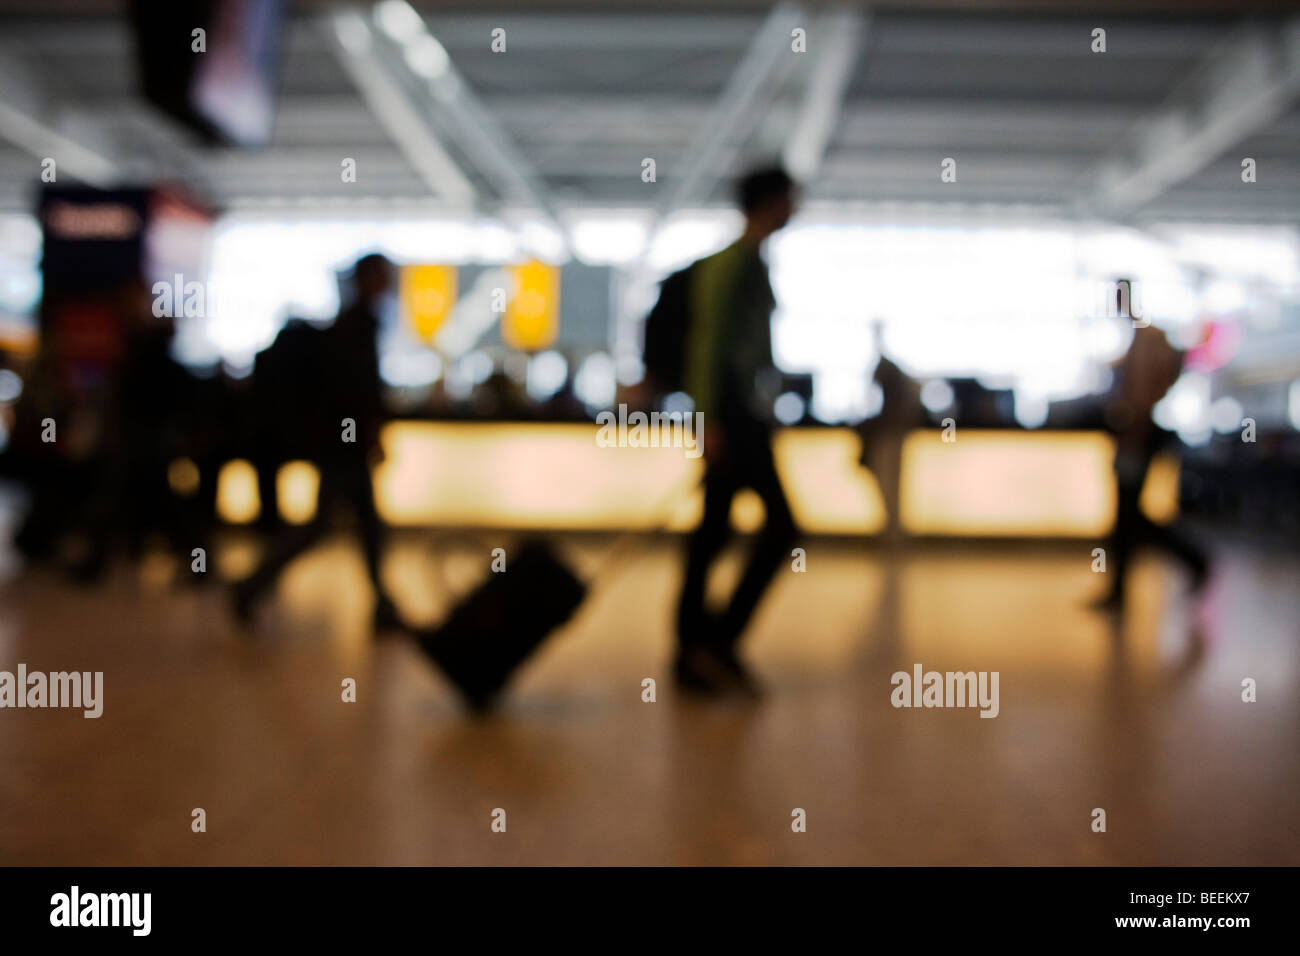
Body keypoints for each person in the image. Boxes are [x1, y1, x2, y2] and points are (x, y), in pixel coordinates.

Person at [674, 165, 799, 698]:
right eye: (790, 199)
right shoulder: (734, 264)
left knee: (714, 530)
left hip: (739, 416)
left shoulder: (750, 263)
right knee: (781, 528)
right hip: (733, 418)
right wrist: (707, 421)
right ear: (769, 201)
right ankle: (712, 644)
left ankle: (697, 651)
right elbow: (707, 345)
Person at [233, 253, 403, 633]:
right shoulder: (356, 328)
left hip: (343, 446)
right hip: (344, 449)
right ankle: (250, 586)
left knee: (362, 527)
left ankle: (382, 605)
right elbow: (358, 393)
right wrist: (369, 433)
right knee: (327, 526)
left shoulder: (354, 325)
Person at [1093, 324, 1208, 611]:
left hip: (1139, 435)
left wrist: (1136, 424)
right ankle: (1119, 590)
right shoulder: (1143, 338)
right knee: (1127, 514)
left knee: (1130, 513)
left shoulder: (1152, 337)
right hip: (1134, 433)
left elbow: (1148, 388)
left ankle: (1194, 559)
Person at [858, 320, 919, 544]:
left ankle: (893, 536)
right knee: (889, 487)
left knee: (891, 488)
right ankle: (892, 536)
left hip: (890, 435)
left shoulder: (887, 367)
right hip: (890, 434)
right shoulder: (885, 366)